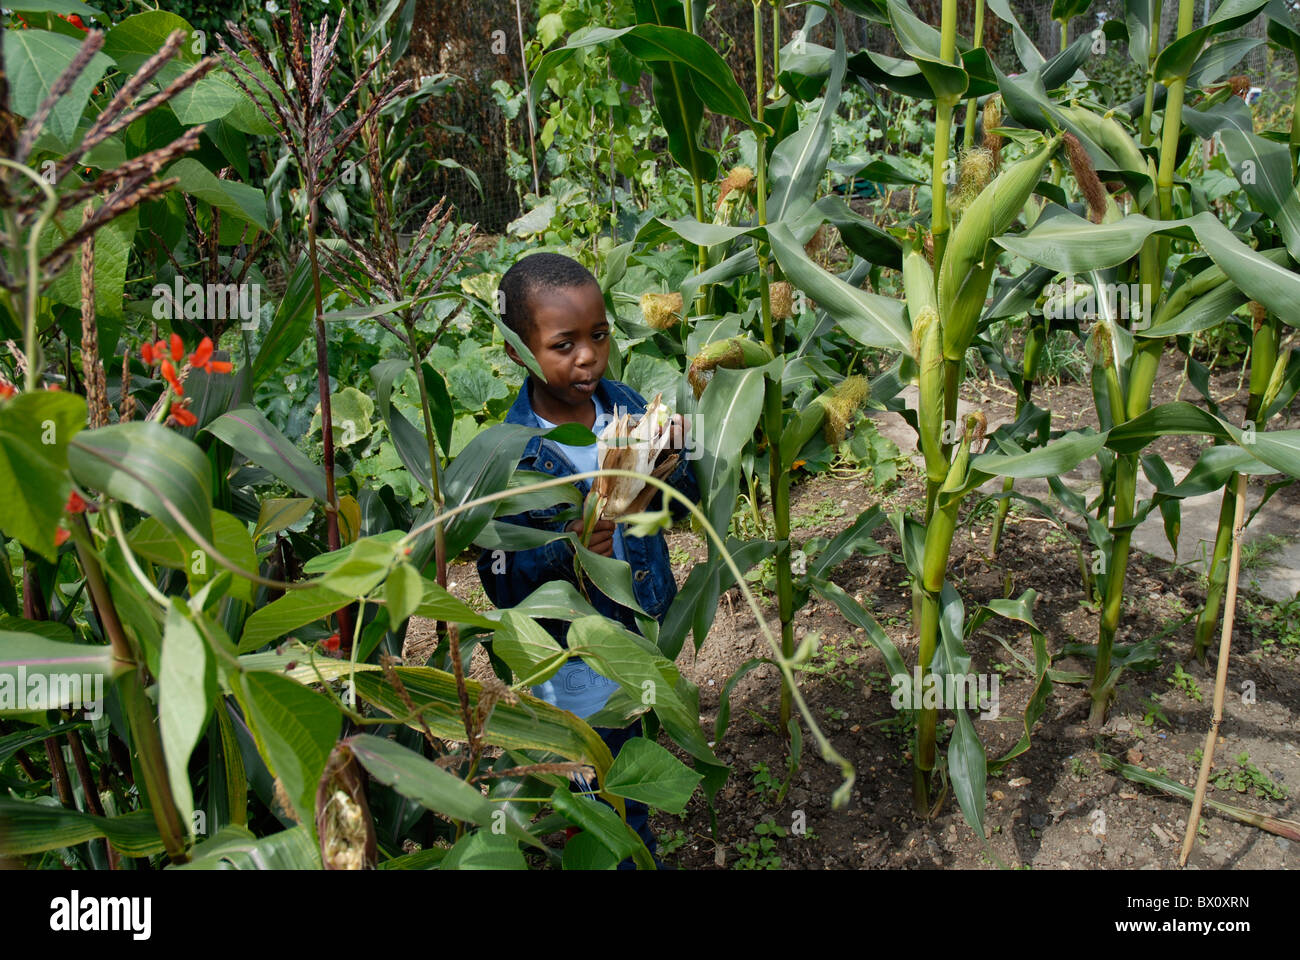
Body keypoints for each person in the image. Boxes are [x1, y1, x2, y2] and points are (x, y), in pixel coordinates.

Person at [475, 252, 698, 867]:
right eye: (563, 344)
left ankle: (633, 844)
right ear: (520, 350)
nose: (587, 357)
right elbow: (498, 578)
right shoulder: (512, 457)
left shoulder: (625, 407)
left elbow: (678, 509)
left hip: (637, 637)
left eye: (598, 336)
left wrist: (673, 462)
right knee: (594, 799)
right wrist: (566, 551)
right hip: (571, 662)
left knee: (629, 770)